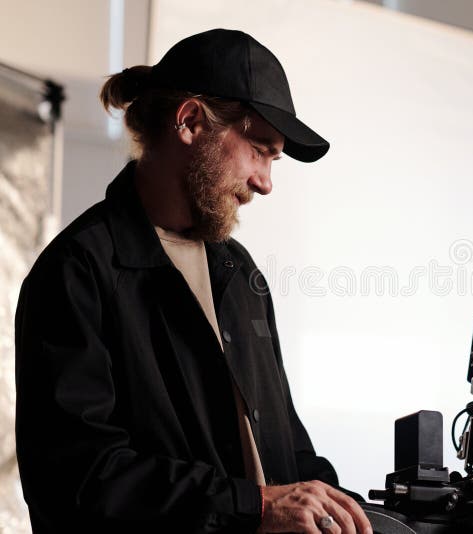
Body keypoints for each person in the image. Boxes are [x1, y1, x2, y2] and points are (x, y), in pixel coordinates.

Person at [15, 28, 372, 534]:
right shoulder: (77, 271)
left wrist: (364, 514)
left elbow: (287, 452)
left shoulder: (241, 273)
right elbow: (79, 478)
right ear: (189, 122)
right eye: (260, 150)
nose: (266, 182)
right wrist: (256, 507)